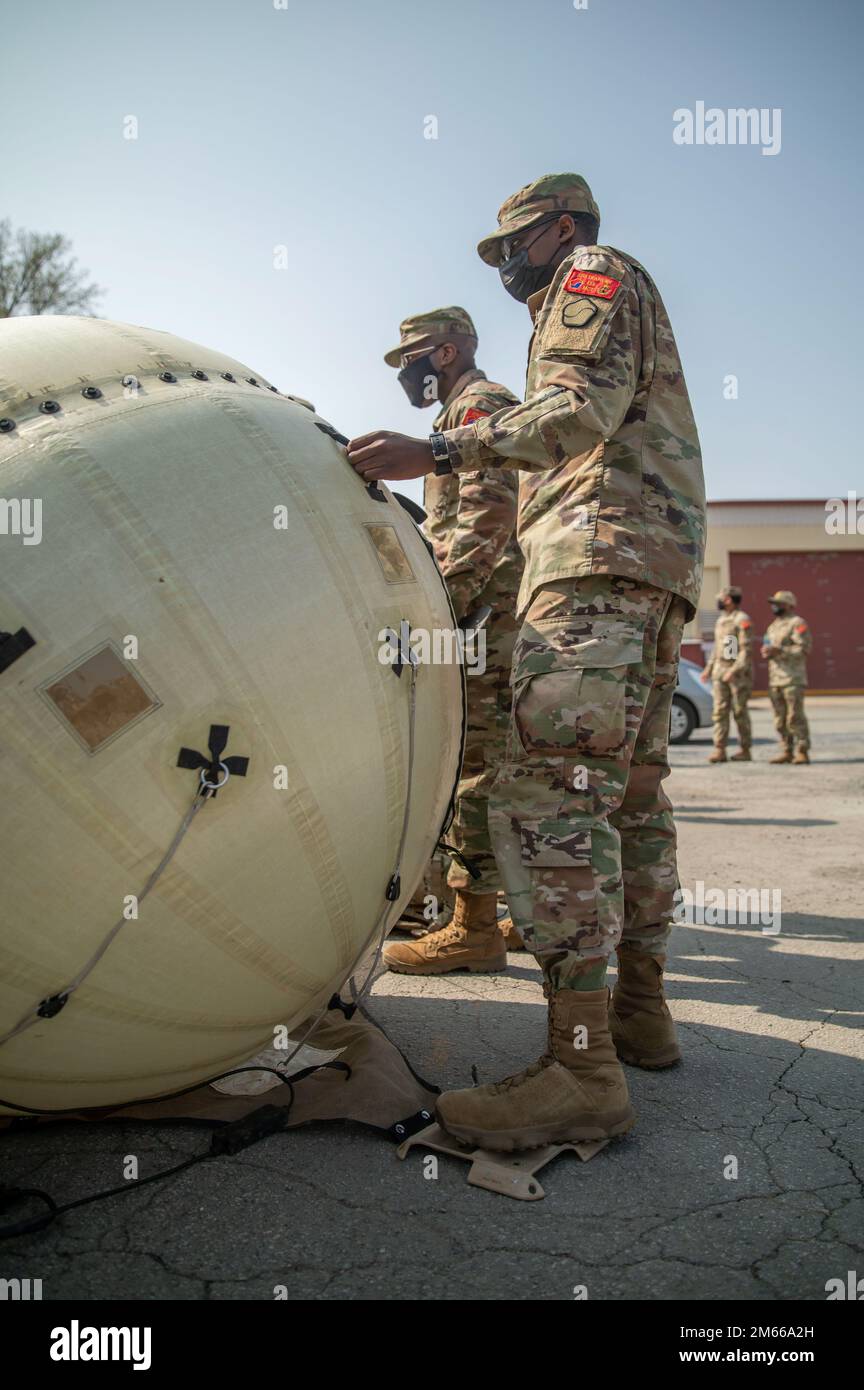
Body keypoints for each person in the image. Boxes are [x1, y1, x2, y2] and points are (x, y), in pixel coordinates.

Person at [347, 173, 705, 1152]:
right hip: (644, 565)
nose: (506, 265)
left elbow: (578, 413)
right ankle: (637, 1012)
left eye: (511, 246)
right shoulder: (595, 290)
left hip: (597, 558)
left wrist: (442, 448)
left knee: (547, 793)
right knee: (628, 796)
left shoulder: (588, 277)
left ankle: (580, 1069)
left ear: (556, 232)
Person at [380, 307, 526, 974]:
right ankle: (515, 909)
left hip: (482, 619)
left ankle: (474, 930)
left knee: (475, 766)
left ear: (441, 354)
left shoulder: (480, 407)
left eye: (407, 361)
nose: (405, 377)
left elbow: (488, 518)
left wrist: (444, 612)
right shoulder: (454, 421)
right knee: (497, 764)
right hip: (481, 614)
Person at [700, 586, 754, 761]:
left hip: (737, 674)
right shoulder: (721, 620)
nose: (719, 601)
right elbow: (718, 647)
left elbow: (746, 650)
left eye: (721, 598)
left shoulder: (742, 619)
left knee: (739, 712)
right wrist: (708, 669)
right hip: (719, 672)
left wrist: (734, 670)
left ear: (729, 600)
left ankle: (745, 750)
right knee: (720, 712)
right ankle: (720, 749)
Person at [762, 590, 812, 764]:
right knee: (779, 718)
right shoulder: (773, 626)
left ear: (790, 605)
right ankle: (786, 750)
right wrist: (767, 652)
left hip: (792, 678)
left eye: (779, 603)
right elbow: (768, 645)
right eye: (773, 603)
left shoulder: (797, 623)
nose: (774, 606)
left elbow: (803, 649)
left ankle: (802, 751)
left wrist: (780, 651)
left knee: (794, 716)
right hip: (775, 678)